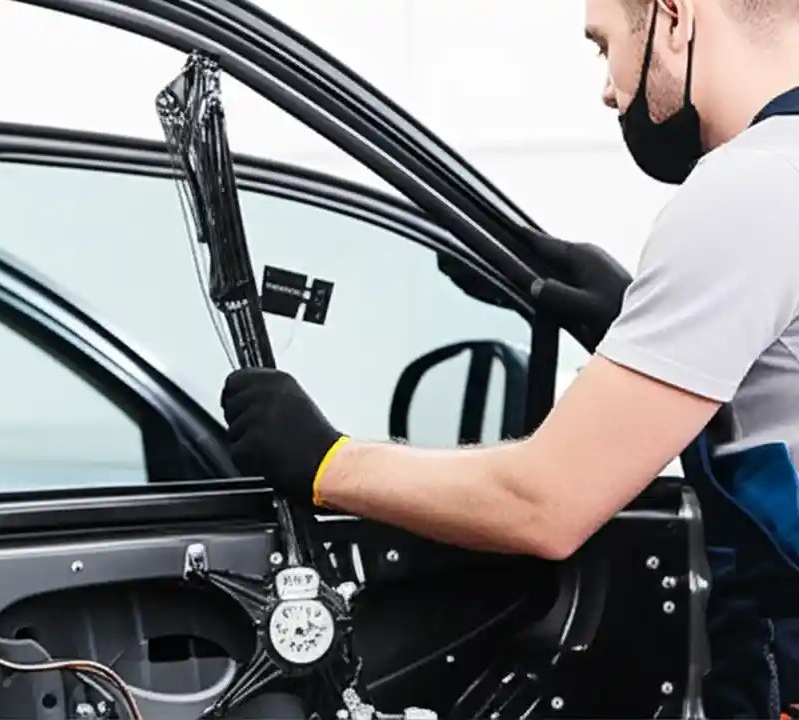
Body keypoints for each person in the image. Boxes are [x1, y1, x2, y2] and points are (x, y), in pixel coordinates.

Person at [221, 0, 799, 716]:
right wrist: (632, 321)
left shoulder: (752, 190)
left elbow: (546, 503)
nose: (610, 89)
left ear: (674, 16)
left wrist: (326, 462)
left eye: (604, 45)